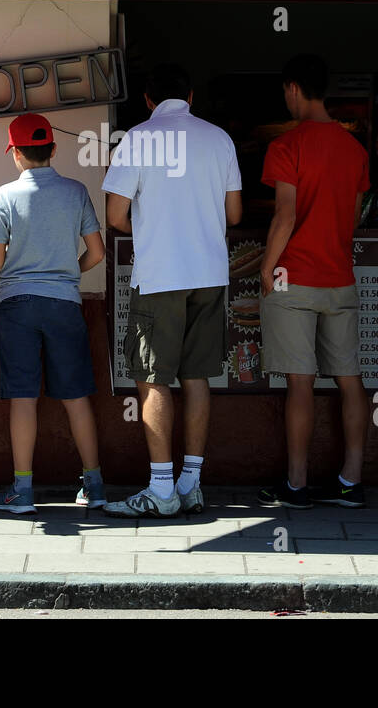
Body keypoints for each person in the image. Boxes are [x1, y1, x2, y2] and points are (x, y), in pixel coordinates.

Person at [102, 63, 242, 518]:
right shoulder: (219, 139)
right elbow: (234, 214)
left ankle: (162, 489)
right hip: (210, 272)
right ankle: (191, 484)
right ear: (191, 96)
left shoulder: (137, 138)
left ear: (148, 100)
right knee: (197, 375)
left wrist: (148, 227)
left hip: (161, 273)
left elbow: (115, 216)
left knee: (152, 376)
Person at [256, 54, 372, 510]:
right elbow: (355, 217)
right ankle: (351, 481)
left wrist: (267, 267)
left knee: (300, 384)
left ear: (292, 88)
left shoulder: (286, 146)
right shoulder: (355, 150)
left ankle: (297, 484)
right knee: (350, 380)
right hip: (340, 277)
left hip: (294, 280)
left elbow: (285, 214)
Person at [0, 113, 106, 514]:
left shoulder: (4, 196)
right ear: (53, 149)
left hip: (16, 303)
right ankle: (94, 486)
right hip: (64, 303)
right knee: (76, 397)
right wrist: (67, 273)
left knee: (23, 398)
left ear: (15, 154)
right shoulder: (76, 191)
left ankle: (22, 492)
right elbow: (97, 253)